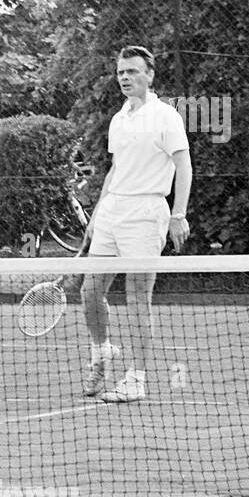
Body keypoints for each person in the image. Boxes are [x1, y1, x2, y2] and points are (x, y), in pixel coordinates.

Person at [81, 45, 193, 403]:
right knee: (90, 291)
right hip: (113, 211)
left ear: (149, 75)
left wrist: (178, 214)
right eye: (120, 73)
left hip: (147, 213)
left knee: (137, 298)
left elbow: (183, 166)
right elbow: (115, 171)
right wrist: (96, 217)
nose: (125, 78)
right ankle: (102, 353)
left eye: (132, 71)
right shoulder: (119, 118)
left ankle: (136, 378)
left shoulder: (166, 117)